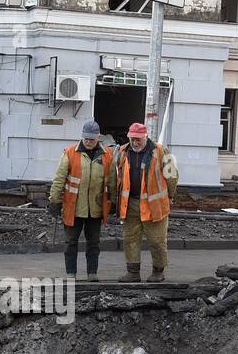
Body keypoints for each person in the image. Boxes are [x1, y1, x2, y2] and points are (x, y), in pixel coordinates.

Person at [111, 122, 179, 283]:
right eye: (132, 139)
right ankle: (133, 272)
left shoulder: (162, 151)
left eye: (138, 140)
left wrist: (170, 197)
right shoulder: (122, 151)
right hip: (130, 204)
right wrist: (114, 200)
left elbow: (173, 176)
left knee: (156, 240)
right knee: (130, 238)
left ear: (145, 137)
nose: (135, 143)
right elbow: (116, 176)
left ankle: (158, 271)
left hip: (154, 205)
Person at [49, 120, 113, 281]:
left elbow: (112, 181)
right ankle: (71, 273)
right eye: (86, 138)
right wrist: (54, 201)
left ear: (98, 137)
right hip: (73, 208)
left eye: (92, 139)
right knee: (71, 242)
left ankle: (92, 273)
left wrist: (113, 201)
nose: (88, 141)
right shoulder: (70, 153)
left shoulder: (107, 156)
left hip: (95, 209)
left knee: (94, 243)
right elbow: (59, 179)